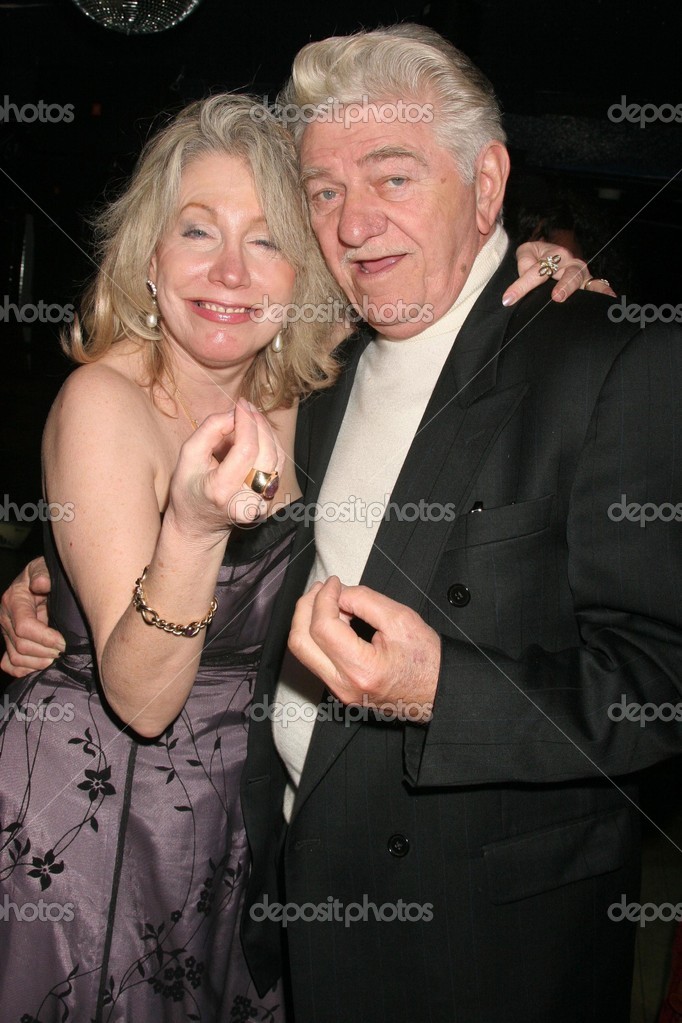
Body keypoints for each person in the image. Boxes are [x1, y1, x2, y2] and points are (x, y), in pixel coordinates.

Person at [0, 26, 656, 1023]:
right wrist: (79, 574)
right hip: (162, 845)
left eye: (391, 178)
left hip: (437, 918)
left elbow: (659, 675)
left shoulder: (572, 363)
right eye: (324, 194)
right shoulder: (245, 382)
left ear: (486, 185)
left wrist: (447, 691)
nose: (353, 225)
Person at [0, 92, 346, 1023]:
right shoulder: (102, 405)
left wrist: (541, 271)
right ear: (148, 258)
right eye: (198, 231)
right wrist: (191, 533)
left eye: (267, 239)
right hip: (99, 812)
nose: (230, 270)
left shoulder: (312, 387)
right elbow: (143, 700)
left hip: (245, 808)